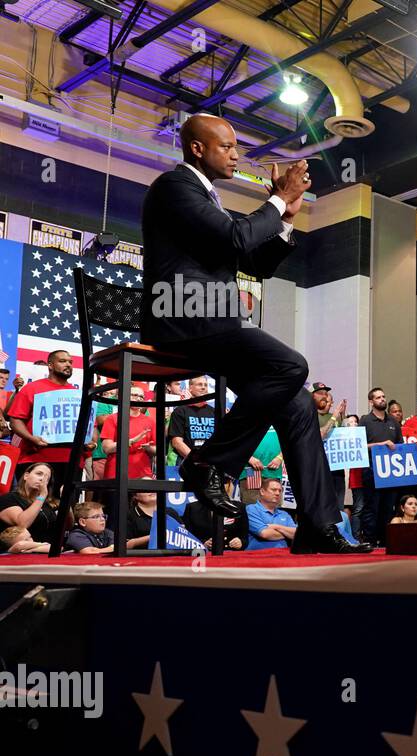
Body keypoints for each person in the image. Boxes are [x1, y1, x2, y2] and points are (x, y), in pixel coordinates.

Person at [140, 113, 367, 554]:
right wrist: (277, 202)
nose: (236, 154)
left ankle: (318, 526)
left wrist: (287, 216)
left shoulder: (206, 198)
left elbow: (254, 262)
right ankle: (208, 462)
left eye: (236, 146)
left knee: (298, 403)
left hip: (211, 322)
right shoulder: (174, 187)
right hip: (182, 321)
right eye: (226, 146)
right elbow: (234, 240)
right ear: (197, 148)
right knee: (291, 366)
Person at [4, 350, 92, 498]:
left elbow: (87, 425)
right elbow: (15, 420)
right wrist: (32, 438)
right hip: (36, 458)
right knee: (33, 509)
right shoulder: (31, 389)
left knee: (66, 512)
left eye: (70, 362)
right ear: (50, 365)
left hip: (71, 460)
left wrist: (90, 442)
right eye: (63, 361)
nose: (68, 365)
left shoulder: (77, 394)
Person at [356, 387, 404, 542]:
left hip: (391, 473)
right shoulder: (365, 420)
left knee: (388, 508)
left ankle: (385, 541)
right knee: (371, 508)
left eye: (383, 396)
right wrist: (381, 444)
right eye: (378, 397)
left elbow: (401, 447)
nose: (382, 399)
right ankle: (370, 540)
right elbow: (359, 446)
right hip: (371, 472)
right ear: (371, 402)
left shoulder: (394, 422)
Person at [100, 385, 158, 481]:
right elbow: (107, 448)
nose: (138, 399)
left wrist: (148, 448)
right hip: (116, 474)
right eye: (135, 395)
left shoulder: (150, 421)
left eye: (141, 397)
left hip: (142, 474)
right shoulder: (113, 418)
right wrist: (130, 442)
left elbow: (157, 450)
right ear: (126, 396)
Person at [0, 463, 59, 545]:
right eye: (39, 474)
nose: (42, 479)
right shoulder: (9, 498)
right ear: (26, 476)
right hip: (19, 553)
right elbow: (22, 524)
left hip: (47, 551)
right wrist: (42, 495)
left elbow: (67, 527)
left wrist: (66, 500)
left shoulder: (48, 504)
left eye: (47, 478)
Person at [166, 375, 216, 467]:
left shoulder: (214, 412)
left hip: (210, 463)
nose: (203, 387)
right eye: (199, 384)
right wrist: (196, 460)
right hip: (185, 462)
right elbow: (176, 442)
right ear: (190, 388)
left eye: (205, 385)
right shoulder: (180, 411)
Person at [313, 383, 348, 512]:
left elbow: (344, 436)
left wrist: (343, 416)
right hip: (320, 467)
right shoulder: (311, 415)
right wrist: (335, 416)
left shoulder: (335, 417)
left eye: (328, 398)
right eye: (324, 398)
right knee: (322, 504)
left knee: (338, 505)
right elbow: (321, 434)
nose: (328, 403)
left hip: (337, 468)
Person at [245, 477, 296, 551]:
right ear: (262, 491)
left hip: (284, 556)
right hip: (258, 556)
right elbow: (265, 534)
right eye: (274, 490)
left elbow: (296, 535)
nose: (278, 493)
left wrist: (277, 527)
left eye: (280, 491)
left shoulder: (285, 514)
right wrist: (287, 533)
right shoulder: (251, 509)